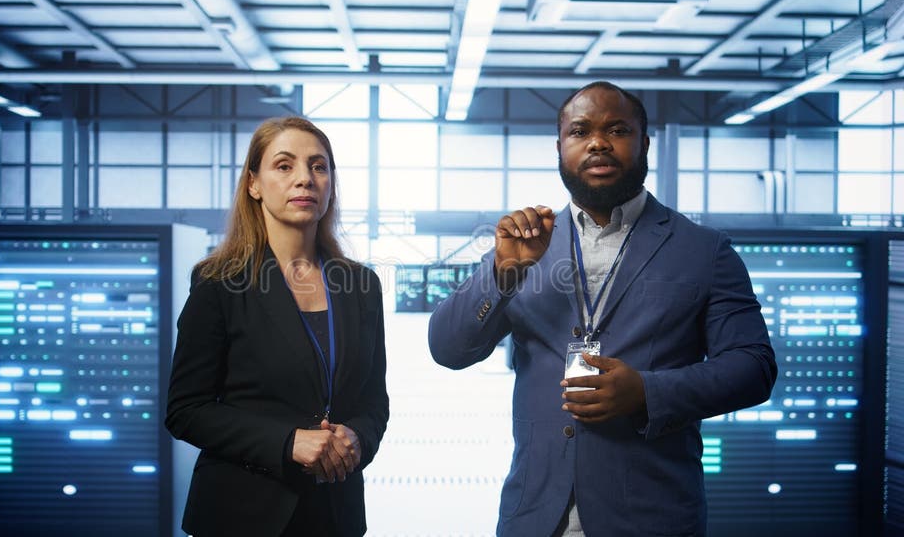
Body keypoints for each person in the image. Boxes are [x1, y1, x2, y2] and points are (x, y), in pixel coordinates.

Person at [428, 81, 777, 537]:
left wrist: (647, 393)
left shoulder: (704, 250)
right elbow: (448, 348)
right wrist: (501, 273)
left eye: (616, 129)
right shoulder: (525, 244)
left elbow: (753, 367)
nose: (597, 142)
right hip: (535, 518)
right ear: (560, 147)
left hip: (652, 519)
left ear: (644, 143)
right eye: (580, 131)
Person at [166, 116, 389, 537]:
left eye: (318, 166)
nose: (304, 179)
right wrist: (288, 442)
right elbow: (186, 410)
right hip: (241, 514)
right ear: (254, 183)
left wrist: (357, 438)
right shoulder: (219, 283)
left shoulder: (361, 286)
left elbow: (374, 400)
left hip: (334, 515)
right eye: (284, 166)